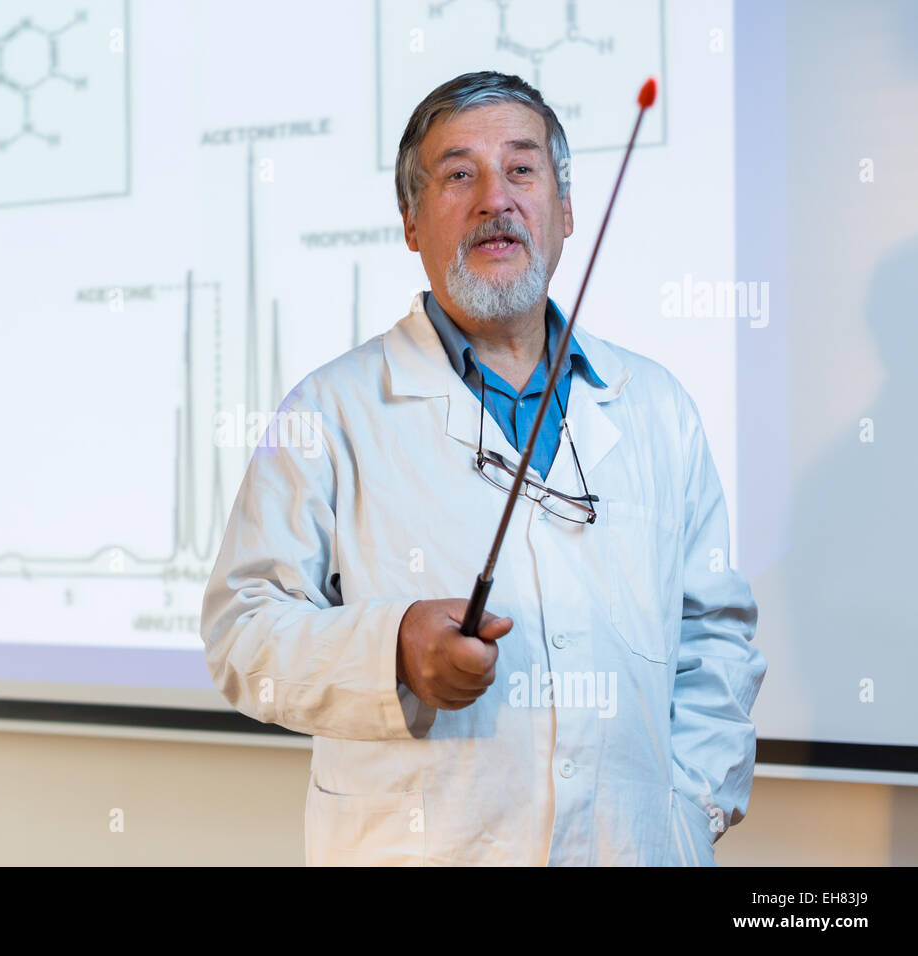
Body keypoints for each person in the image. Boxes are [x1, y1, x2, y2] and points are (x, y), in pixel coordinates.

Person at [200, 71, 766, 865]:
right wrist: (392, 647)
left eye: (523, 170)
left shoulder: (658, 407)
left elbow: (715, 635)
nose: (495, 199)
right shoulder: (326, 412)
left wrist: (689, 810)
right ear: (411, 220)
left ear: (565, 211)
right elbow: (243, 637)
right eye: (459, 174)